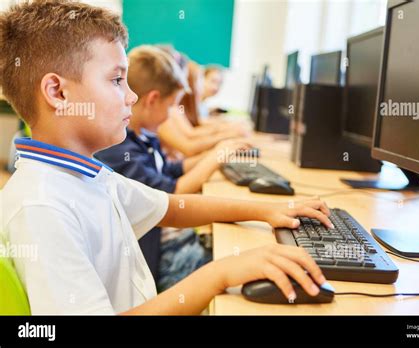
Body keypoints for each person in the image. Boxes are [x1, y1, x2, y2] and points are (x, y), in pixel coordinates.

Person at [0, 0, 332, 315]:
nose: (131, 96)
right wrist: (219, 274)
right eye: (117, 80)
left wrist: (269, 210)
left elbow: (172, 207)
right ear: (58, 93)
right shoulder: (43, 208)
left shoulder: (84, 174)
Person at [95, 45, 252, 291]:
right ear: (153, 100)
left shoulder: (143, 137)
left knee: (242, 247)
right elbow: (174, 193)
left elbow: (170, 169)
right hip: (155, 261)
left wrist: (216, 153)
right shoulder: (120, 150)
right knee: (238, 267)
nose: (172, 116)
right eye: (172, 106)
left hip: (167, 241)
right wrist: (215, 157)